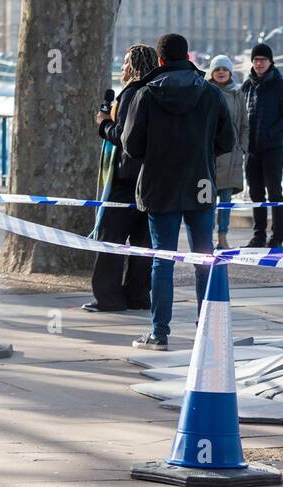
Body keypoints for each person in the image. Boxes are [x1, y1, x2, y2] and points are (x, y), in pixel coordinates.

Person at [122, 32, 232, 351]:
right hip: (200, 184)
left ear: (159, 60)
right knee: (204, 258)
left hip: (160, 184)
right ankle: (207, 328)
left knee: (163, 260)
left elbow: (131, 145)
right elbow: (227, 141)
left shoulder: (146, 94)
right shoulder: (211, 94)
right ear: (188, 58)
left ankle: (159, 333)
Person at [84, 43, 158, 313]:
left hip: (126, 177)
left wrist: (104, 123)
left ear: (135, 66)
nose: (123, 68)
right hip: (151, 179)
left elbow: (124, 138)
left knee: (110, 239)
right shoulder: (156, 91)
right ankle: (138, 296)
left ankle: (108, 297)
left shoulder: (131, 94)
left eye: (126, 63)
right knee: (143, 242)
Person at [242, 42, 283, 248]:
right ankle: (258, 236)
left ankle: (277, 237)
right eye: (256, 60)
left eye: (263, 60)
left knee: (274, 192)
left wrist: (272, 132)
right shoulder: (247, 86)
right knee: (256, 194)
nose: (259, 64)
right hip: (252, 150)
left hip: (273, 148)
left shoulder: (280, 84)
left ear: (270, 61)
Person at [206, 54, 248, 250]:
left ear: (230, 72)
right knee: (207, 200)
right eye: (217, 69)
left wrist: (242, 147)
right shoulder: (205, 92)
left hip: (232, 156)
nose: (221, 72)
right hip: (211, 156)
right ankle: (206, 236)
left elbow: (244, 124)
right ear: (212, 73)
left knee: (225, 201)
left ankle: (222, 237)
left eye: (224, 69)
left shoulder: (237, 93)